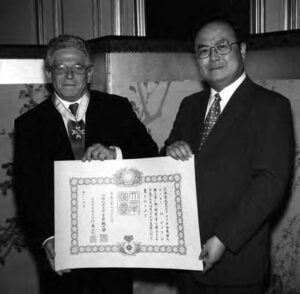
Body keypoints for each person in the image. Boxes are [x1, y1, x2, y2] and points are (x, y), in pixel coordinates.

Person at [14, 34, 158, 294]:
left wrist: (115, 154)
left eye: (77, 68)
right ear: (49, 74)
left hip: (113, 246)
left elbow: (150, 154)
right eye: (61, 68)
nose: (69, 75)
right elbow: (27, 190)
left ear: (89, 73)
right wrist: (47, 237)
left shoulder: (117, 108)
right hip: (60, 251)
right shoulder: (29, 125)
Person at [162, 18, 295, 294]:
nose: (213, 57)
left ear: (242, 51)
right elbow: (167, 161)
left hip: (236, 261)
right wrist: (170, 151)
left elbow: (270, 183)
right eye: (203, 50)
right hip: (186, 258)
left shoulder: (271, 106)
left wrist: (223, 239)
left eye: (222, 46)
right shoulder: (190, 106)